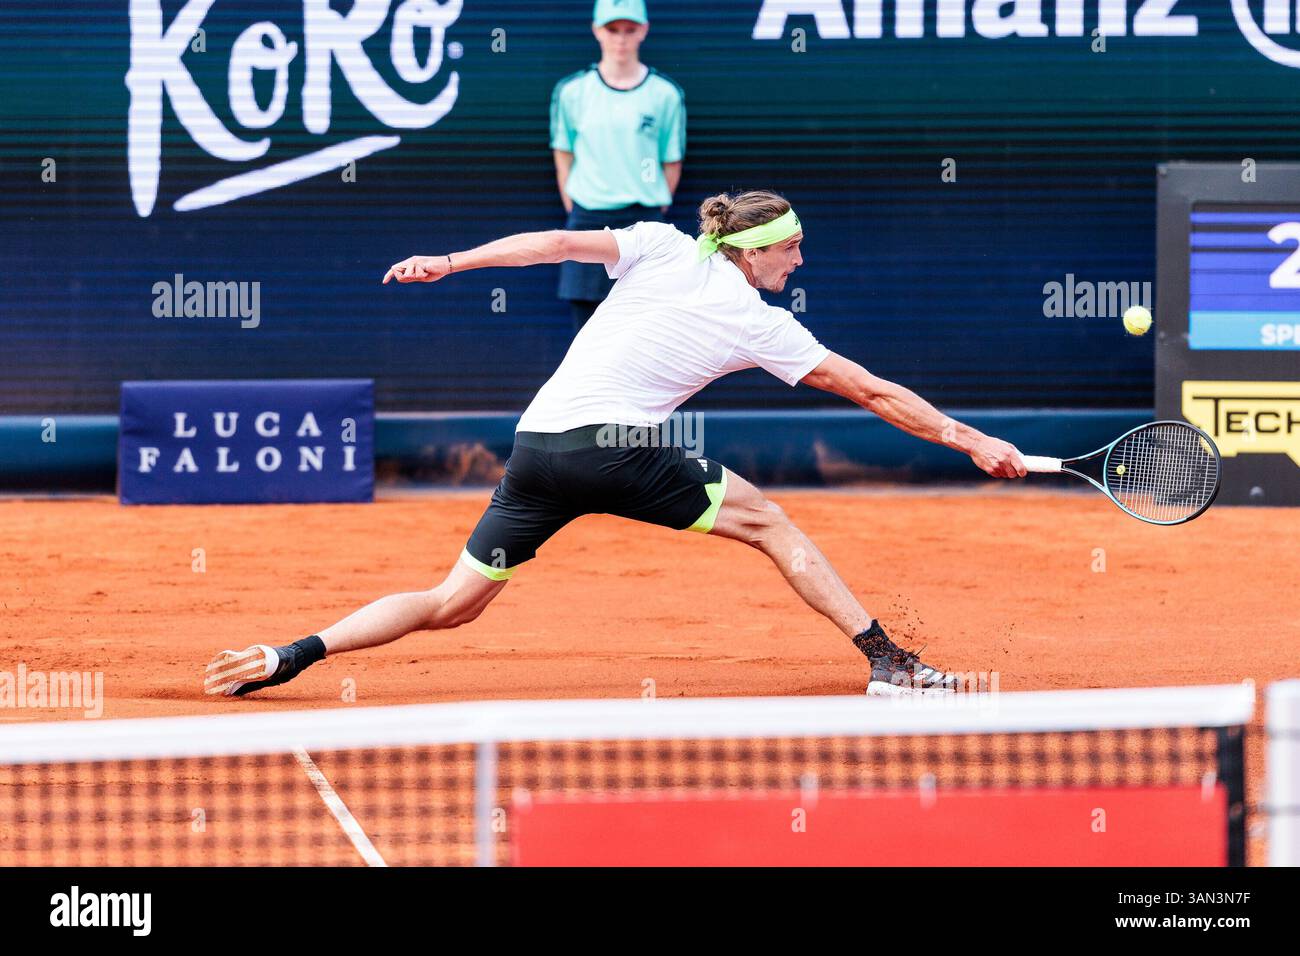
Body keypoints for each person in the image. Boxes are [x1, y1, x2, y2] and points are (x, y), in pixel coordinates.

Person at [204, 190, 1027, 700]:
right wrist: (971, 439)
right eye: (790, 247)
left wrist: (449, 263)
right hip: (614, 447)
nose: (800, 259)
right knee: (772, 522)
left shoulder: (661, 244)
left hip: (535, 449)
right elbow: (873, 390)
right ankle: (888, 663)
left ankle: (289, 654)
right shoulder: (760, 321)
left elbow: (555, 245)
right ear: (751, 249)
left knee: (450, 605)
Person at [551, 0, 685, 330]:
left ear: (644, 30)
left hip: (644, 221)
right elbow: (564, 155)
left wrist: (652, 203)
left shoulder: (665, 94)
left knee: (649, 331)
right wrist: (579, 205)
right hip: (588, 220)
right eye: (612, 29)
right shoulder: (572, 92)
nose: (621, 39)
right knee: (587, 336)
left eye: (629, 29)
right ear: (597, 31)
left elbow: (671, 161)